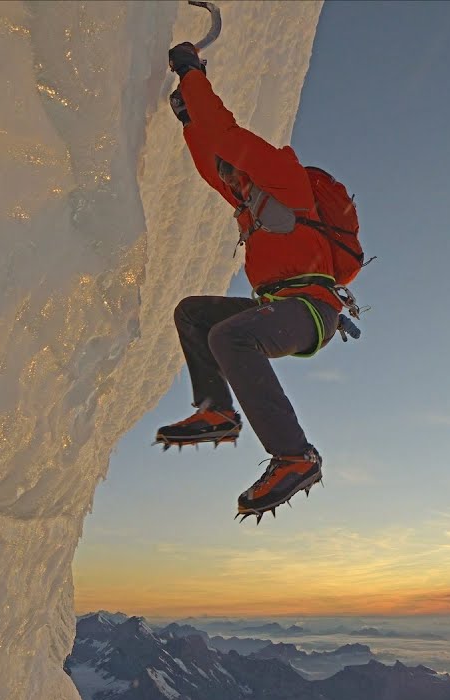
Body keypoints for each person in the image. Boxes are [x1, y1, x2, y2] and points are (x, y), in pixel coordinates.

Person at [155, 41, 342, 524]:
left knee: (230, 335)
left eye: (234, 171)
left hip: (311, 310)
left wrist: (192, 75)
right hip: (283, 305)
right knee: (194, 313)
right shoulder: (249, 198)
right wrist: (187, 120)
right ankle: (216, 409)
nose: (229, 180)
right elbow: (210, 162)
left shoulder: (281, 176)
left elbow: (226, 136)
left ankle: (296, 456)